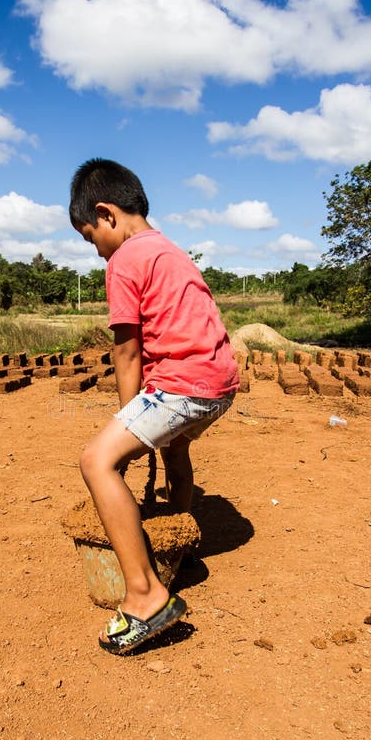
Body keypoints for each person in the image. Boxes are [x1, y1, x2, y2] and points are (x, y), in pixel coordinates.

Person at [69, 158, 240, 654]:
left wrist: (130, 423)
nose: (96, 251)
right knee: (176, 454)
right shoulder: (170, 249)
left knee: (97, 460)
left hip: (183, 385)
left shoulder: (123, 259)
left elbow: (126, 352)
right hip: (220, 383)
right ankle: (177, 555)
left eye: (89, 237)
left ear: (107, 215)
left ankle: (146, 596)